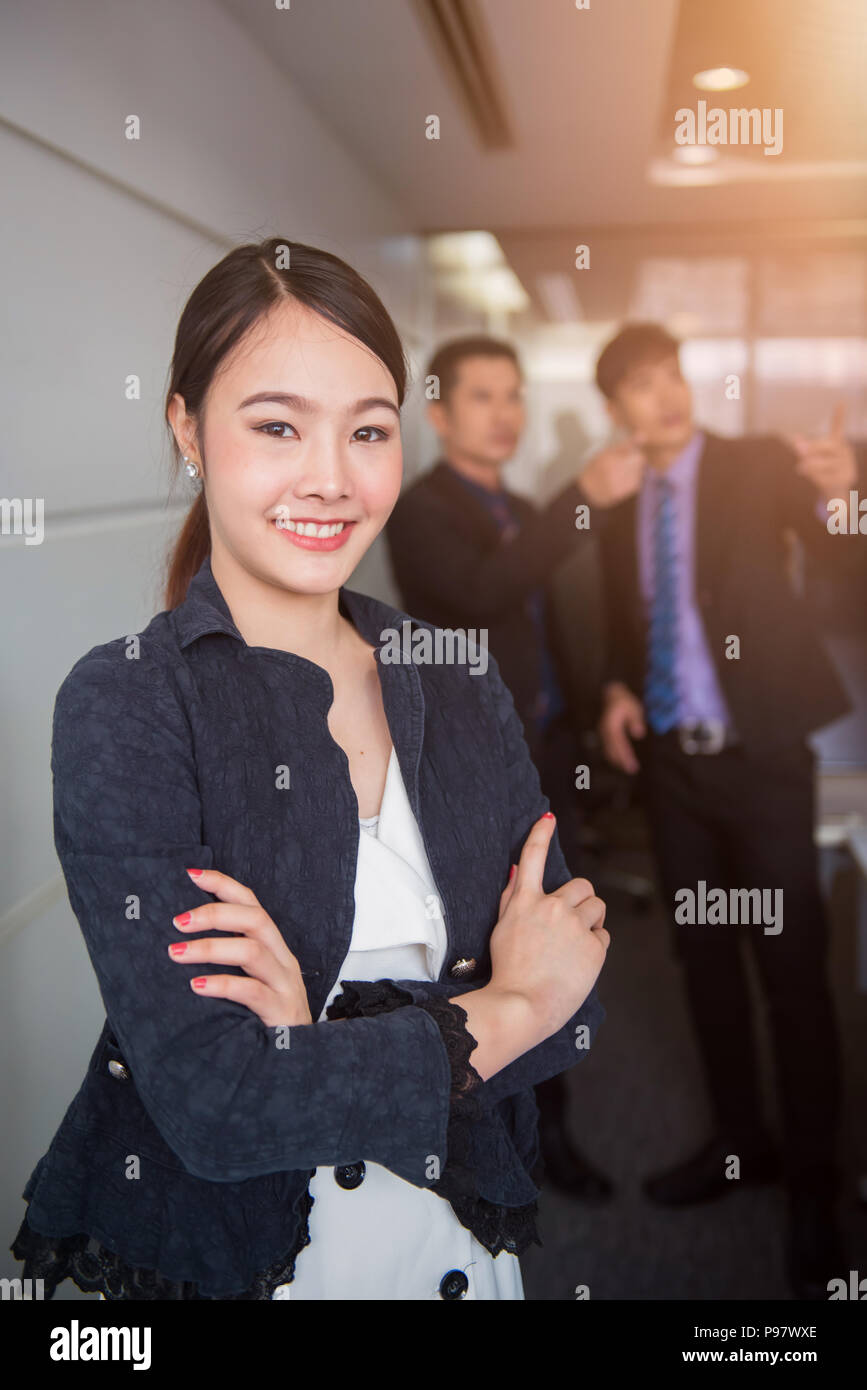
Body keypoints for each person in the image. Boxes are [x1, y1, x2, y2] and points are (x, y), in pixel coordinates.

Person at [10, 238, 610, 1302]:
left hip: (458, 1240)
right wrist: (504, 1000)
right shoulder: (129, 704)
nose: (331, 478)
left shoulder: (455, 676)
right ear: (188, 429)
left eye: (368, 431)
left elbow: (582, 997)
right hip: (252, 1261)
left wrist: (314, 1043)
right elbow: (224, 1108)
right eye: (277, 426)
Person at [592, 321, 866, 1300]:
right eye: (640, 384)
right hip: (677, 774)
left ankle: (816, 1195)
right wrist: (623, 690)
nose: (665, 394)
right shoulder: (625, 505)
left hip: (762, 766)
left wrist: (847, 496)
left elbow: (848, 560)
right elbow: (638, 626)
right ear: (615, 407)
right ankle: (739, 1145)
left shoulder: (755, 465)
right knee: (705, 963)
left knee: (793, 971)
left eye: (673, 374)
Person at [385, 337, 638, 1201]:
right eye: (482, 396)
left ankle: (551, 1129)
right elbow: (484, 592)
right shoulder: (421, 511)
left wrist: (598, 692)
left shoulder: (519, 506)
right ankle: (525, 1143)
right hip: (472, 765)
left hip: (548, 749)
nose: (504, 413)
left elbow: (553, 622)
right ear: (439, 413)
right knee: (501, 953)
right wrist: (580, 499)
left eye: (512, 394)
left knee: (557, 936)